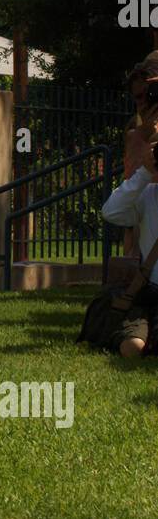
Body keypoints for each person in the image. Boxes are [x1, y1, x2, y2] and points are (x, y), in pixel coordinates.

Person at [100, 59, 158, 359]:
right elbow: (114, 210)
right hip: (151, 285)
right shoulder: (139, 135)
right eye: (138, 98)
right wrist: (146, 169)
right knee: (132, 345)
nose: (144, 103)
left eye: (148, 95)